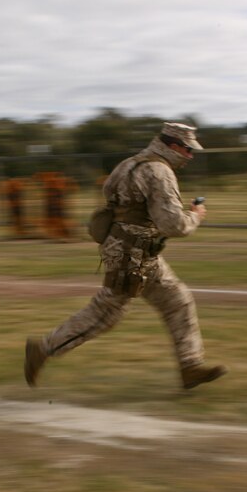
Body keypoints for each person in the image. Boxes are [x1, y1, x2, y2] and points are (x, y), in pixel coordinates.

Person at [24, 122, 227, 391]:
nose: (190, 156)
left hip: (133, 250)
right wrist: (195, 215)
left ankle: (190, 366)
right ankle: (43, 349)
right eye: (188, 150)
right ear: (174, 146)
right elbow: (173, 225)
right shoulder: (160, 171)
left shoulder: (130, 163)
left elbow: (110, 193)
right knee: (106, 313)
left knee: (178, 300)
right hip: (131, 254)